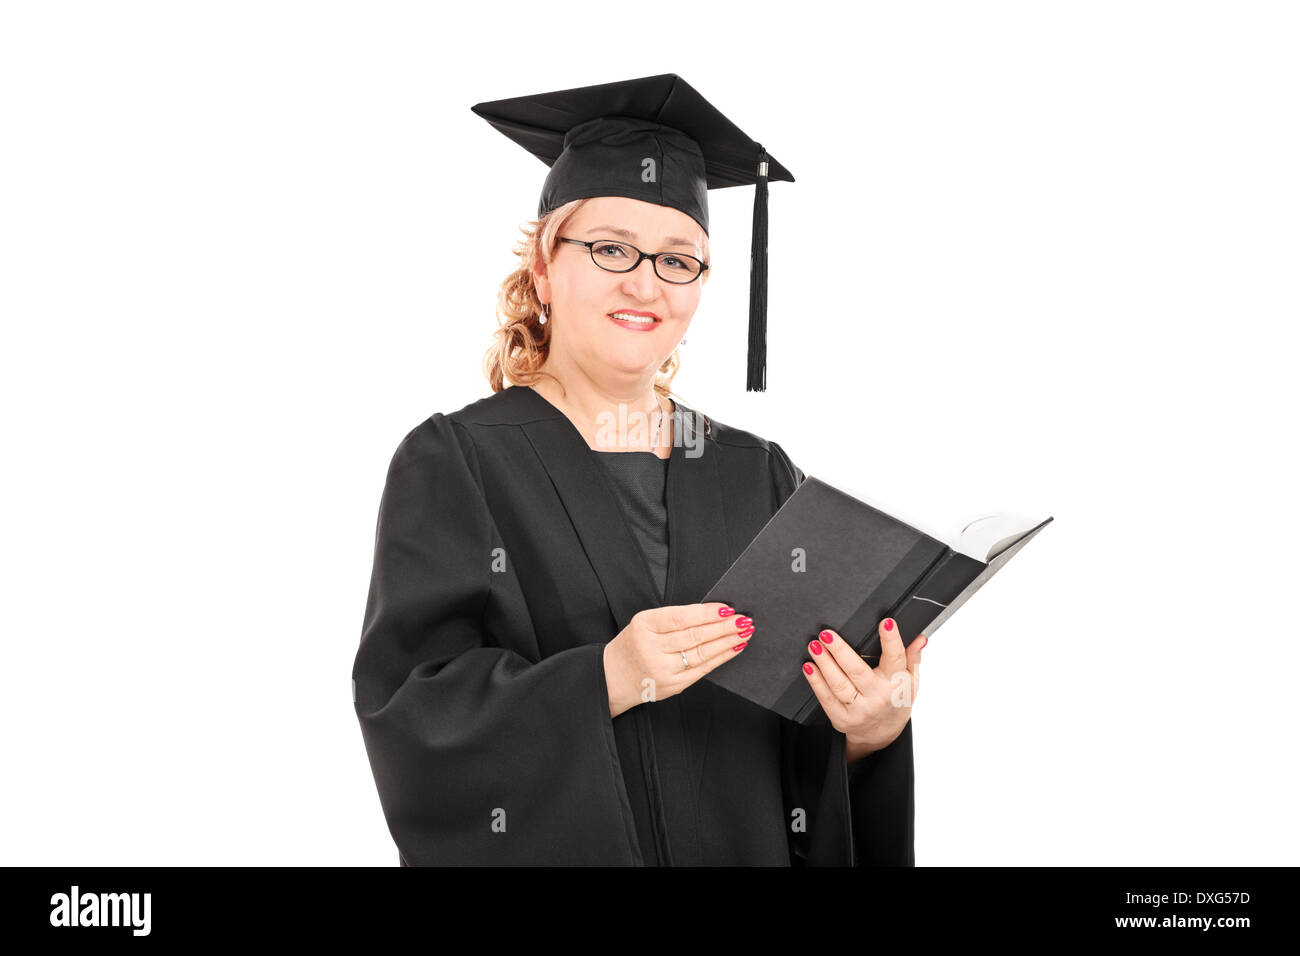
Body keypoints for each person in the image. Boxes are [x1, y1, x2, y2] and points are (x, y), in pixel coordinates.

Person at [351, 74, 923, 866]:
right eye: (611, 248)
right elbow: (412, 714)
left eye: (678, 260)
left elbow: (799, 754)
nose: (645, 283)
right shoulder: (460, 460)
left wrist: (869, 731)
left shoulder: (754, 472)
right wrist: (607, 679)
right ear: (545, 265)